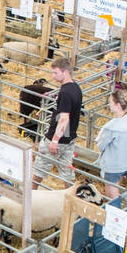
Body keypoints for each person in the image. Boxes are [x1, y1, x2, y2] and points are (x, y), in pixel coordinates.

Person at [33, 57, 82, 188]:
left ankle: (30, 196)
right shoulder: (76, 88)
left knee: (39, 170)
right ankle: (71, 199)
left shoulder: (65, 93)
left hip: (58, 139)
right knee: (67, 174)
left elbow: (64, 118)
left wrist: (55, 140)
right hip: (69, 138)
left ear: (65, 72)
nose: (52, 76)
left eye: (55, 73)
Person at [95, 89, 127, 201]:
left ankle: (117, 214)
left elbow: (100, 146)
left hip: (113, 165)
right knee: (117, 185)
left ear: (118, 105)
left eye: (111, 102)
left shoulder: (111, 127)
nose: (109, 104)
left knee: (112, 197)